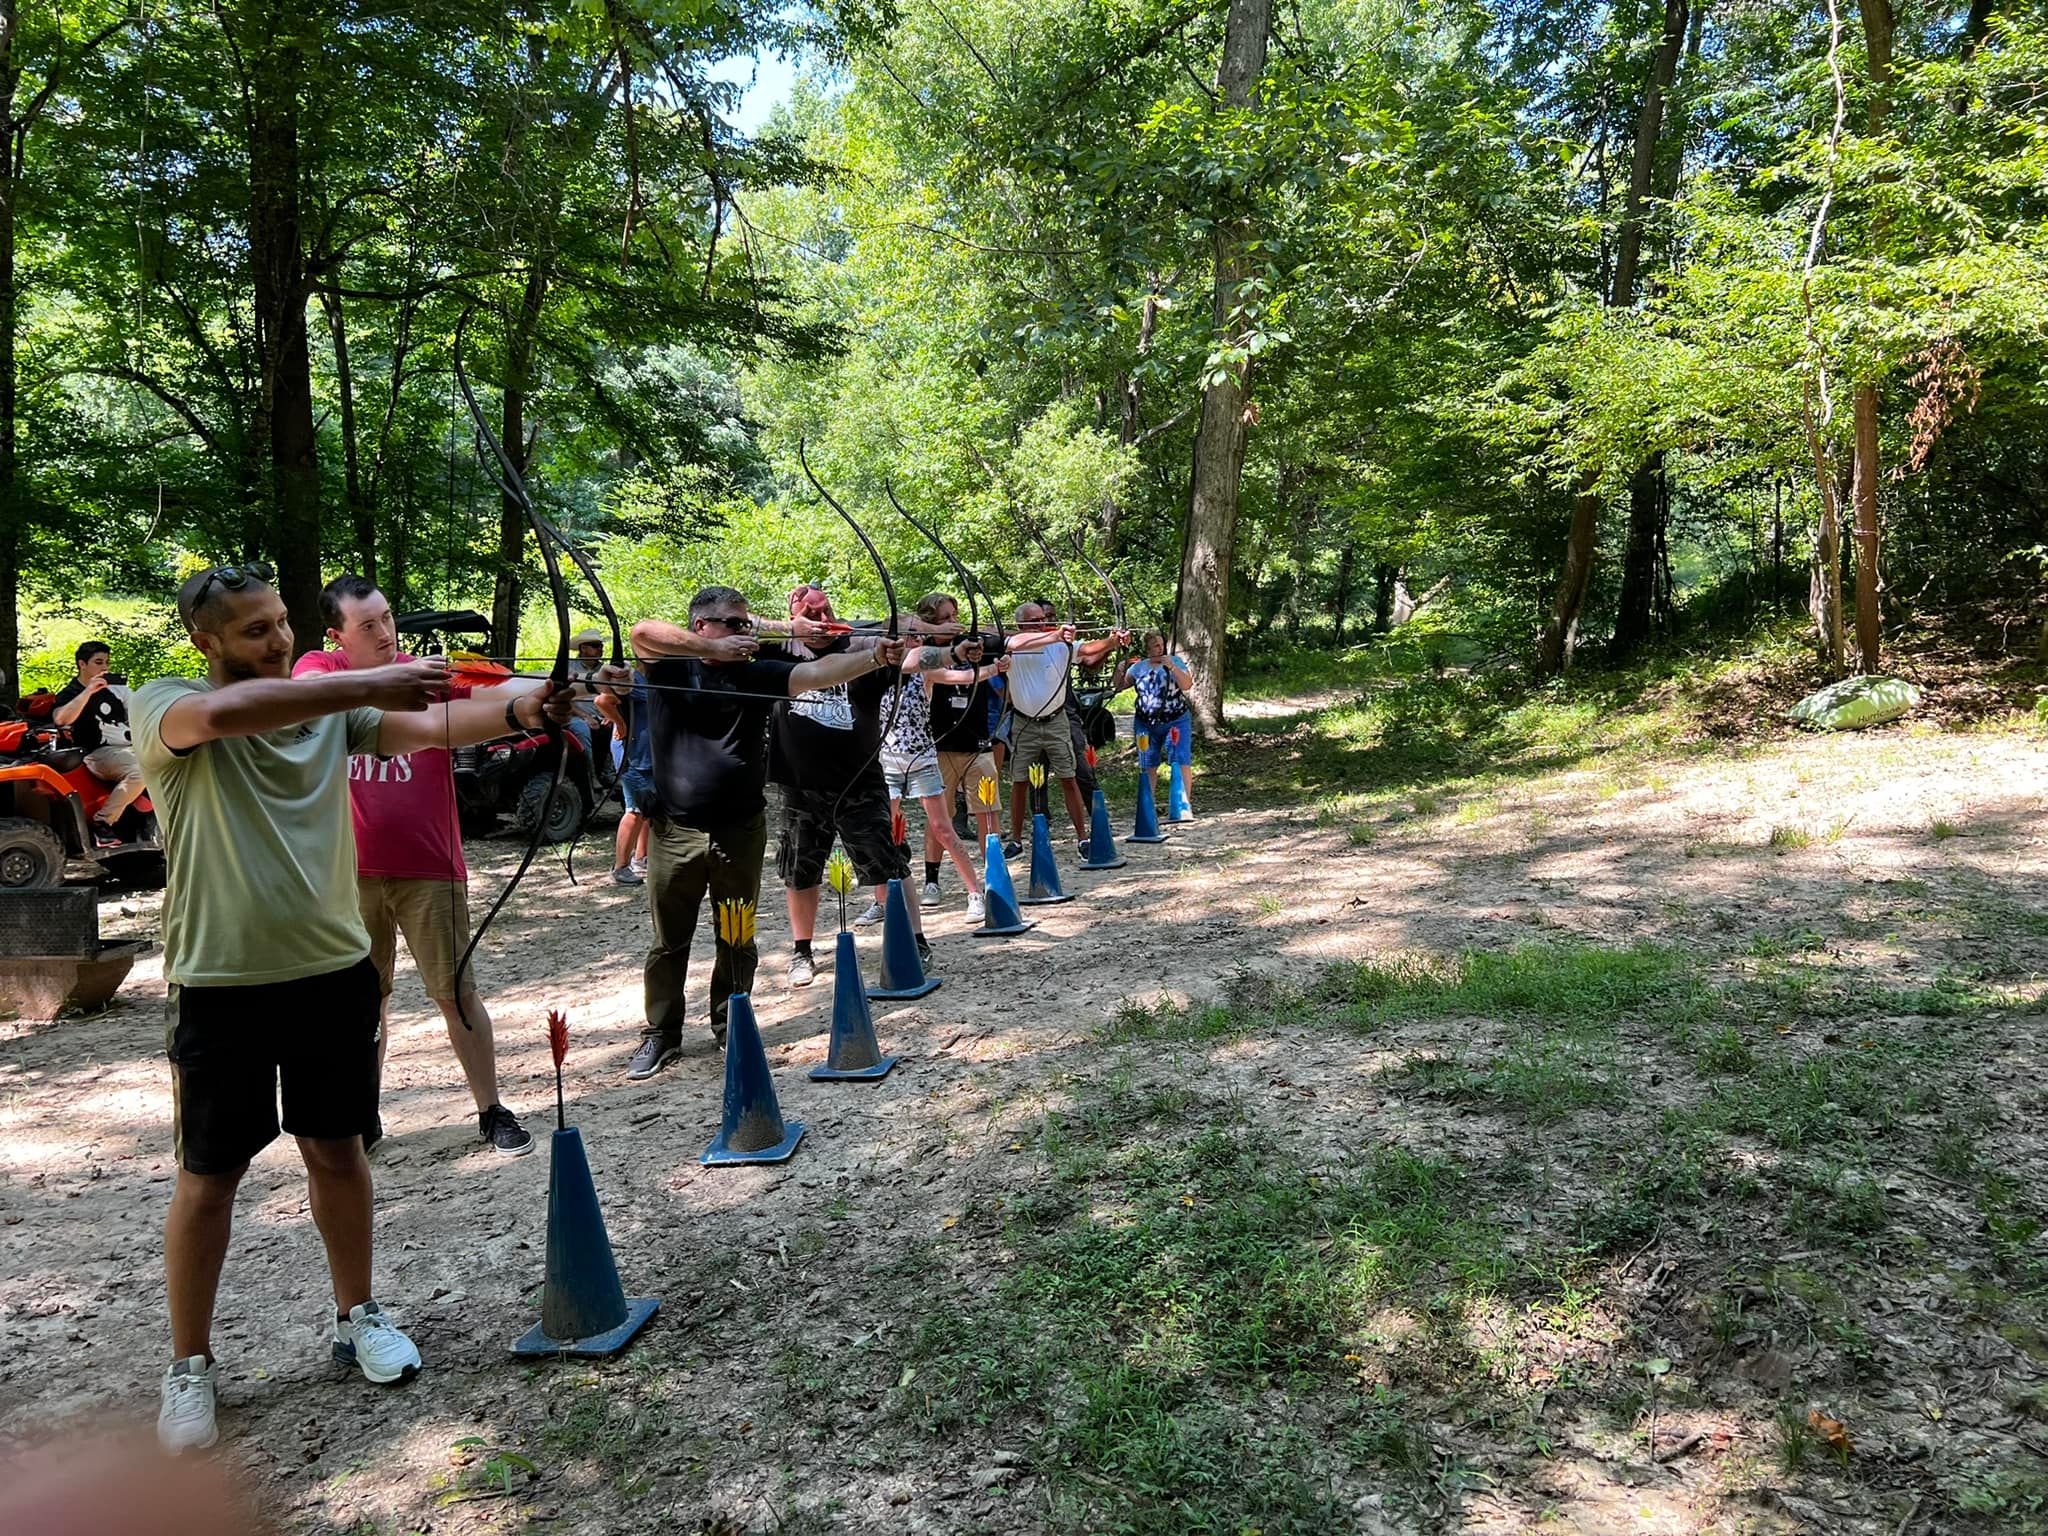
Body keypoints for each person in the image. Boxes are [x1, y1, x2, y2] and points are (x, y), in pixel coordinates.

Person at [133, 561, 576, 1453]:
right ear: (204, 640)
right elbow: (222, 718)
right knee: (210, 1178)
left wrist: (532, 705)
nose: (277, 639)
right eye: (254, 630)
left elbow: (435, 723)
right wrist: (370, 679)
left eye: (281, 623)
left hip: (329, 972)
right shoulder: (164, 701)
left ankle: (357, 1315)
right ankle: (190, 1366)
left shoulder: (336, 711)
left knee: (336, 1152)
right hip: (220, 980)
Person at [293, 575, 537, 1157]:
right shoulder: (320, 673)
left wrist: (551, 692)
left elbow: (499, 692)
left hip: (429, 865)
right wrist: (395, 680)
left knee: (454, 992)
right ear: (337, 636)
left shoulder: (428, 676)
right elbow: (307, 690)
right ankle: (363, 1112)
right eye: (367, 625)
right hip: (349, 874)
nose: (384, 632)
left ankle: (491, 1109)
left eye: (387, 618)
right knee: (362, 1002)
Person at [624, 586, 909, 1079]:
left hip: (740, 827)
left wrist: (874, 658)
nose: (744, 631)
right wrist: (711, 651)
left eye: (746, 623)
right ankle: (661, 1034)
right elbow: (641, 632)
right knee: (669, 940)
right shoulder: (670, 667)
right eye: (733, 624)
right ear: (701, 626)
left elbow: (818, 673)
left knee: (736, 935)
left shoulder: (756, 673)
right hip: (676, 829)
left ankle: (731, 1022)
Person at [767, 583, 914, 988]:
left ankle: (910, 942)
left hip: (859, 781)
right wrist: (791, 629)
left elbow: (909, 654)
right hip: (800, 784)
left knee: (888, 865)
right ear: (792, 614)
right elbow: (739, 634)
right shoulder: (776, 652)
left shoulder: (857, 650)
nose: (821, 619)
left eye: (826, 611)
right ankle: (802, 951)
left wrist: (898, 649)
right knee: (800, 871)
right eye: (811, 613)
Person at [1002, 602, 1130, 856]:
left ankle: (1082, 838)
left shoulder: (1060, 646)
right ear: (1020, 625)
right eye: (1033, 621)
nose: (1041, 623)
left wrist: (1113, 641)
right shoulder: (1012, 644)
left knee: (1068, 778)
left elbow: (1088, 650)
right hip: (1024, 723)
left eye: (1043, 619)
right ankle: (1016, 840)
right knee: (1020, 781)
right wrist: (1055, 634)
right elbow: (1016, 644)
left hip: (1056, 721)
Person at [923, 593, 1005, 901]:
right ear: (929, 623)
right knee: (938, 818)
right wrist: (992, 670)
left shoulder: (978, 644)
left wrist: (1051, 633)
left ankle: (993, 876)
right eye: (945, 618)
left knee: (987, 814)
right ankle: (931, 880)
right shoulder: (927, 653)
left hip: (978, 746)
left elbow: (1016, 640)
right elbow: (952, 676)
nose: (953, 621)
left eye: (955, 615)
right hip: (940, 748)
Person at [52, 641, 146, 840]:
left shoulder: (117, 690)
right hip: (99, 753)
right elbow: (61, 719)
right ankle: (103, 822)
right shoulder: (71, 693)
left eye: (107, 663)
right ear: (82, 664)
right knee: (140, 771)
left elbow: (141, 714)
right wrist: (89, 691)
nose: (104, 668)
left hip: (130, 748)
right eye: (98, 662)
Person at [1114, 630, 1196, 813]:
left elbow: (1187, 685)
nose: (1160, 649)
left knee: (1180, 758)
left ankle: (1182, 804)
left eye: (1161, 644)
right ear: (1148, 649)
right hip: (1146, 722)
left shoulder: (1174, 662)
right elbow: (1119, 686)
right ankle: (1147, 807)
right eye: (1156, 646)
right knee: (1147, 762)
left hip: (1176, 719)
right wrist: (1119, 669)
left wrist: (1172, 668)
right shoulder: (1139, 668)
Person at [592, 661, 652, 886]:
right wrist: (620, 723)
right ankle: (620, 867)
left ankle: (641, 858)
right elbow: (602, 700)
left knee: (647, 808)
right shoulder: (632, 678)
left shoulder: (649, 680)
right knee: (635, 809)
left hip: (645, 753)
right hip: (632, 753)